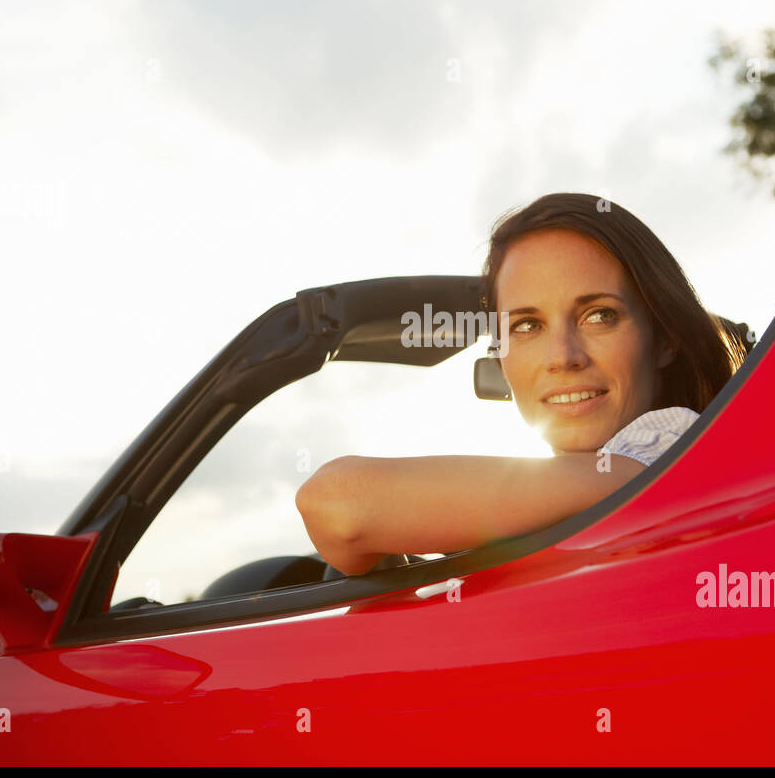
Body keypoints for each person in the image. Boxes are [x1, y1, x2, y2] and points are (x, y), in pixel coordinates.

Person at [296, 192, 746, 575]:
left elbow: (339, 507)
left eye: (600, 315)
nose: (563, 357)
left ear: (664, 340)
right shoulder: (571, 498)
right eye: (528, 325)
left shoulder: (665, 453)